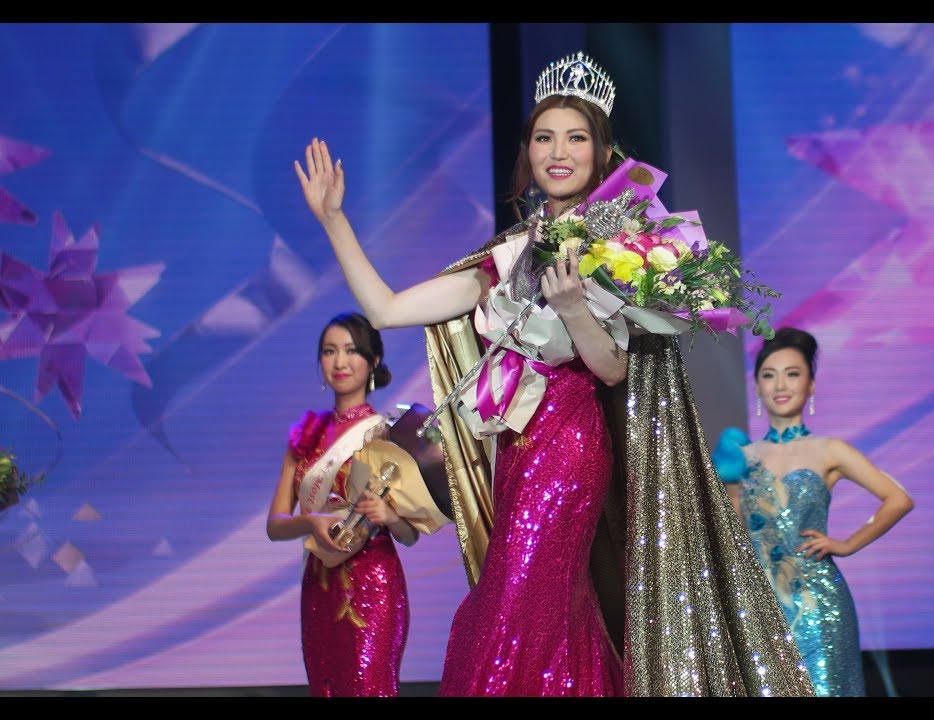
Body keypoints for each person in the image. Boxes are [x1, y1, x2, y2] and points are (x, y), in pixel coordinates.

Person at [294, 52, 815, 697]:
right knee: (548, 613)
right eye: (545, 137)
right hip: (514, 452)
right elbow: (386, 308)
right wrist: (334, 220)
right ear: (528, 153)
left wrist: (572, 304)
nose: (558, 151)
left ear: (600, 152)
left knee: (511, 609)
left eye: (576, 138)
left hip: (572, 449)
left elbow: (615, 369)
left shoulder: (623, 248)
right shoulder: (506, 255)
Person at [712, 326, 915, 697]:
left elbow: (898, 498)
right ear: (756, 387)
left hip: (819, 604)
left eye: (793, 373)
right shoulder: (744, 455)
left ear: (811, 385)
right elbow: (732, 535)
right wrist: (726, 481)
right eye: (768, 375)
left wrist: (848, 544)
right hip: (761, 607)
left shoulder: (828, 450)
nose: (780, 385)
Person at [265, 311, 422, 697]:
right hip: (318, 585)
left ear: (373, 361)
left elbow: (410, 535)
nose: (339, 361)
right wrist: (311, 522)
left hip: (373, 585)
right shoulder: (305, 433)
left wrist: (389, 517)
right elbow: (275, 524)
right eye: (329, 351)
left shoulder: (389, 433)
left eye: (352, 351)